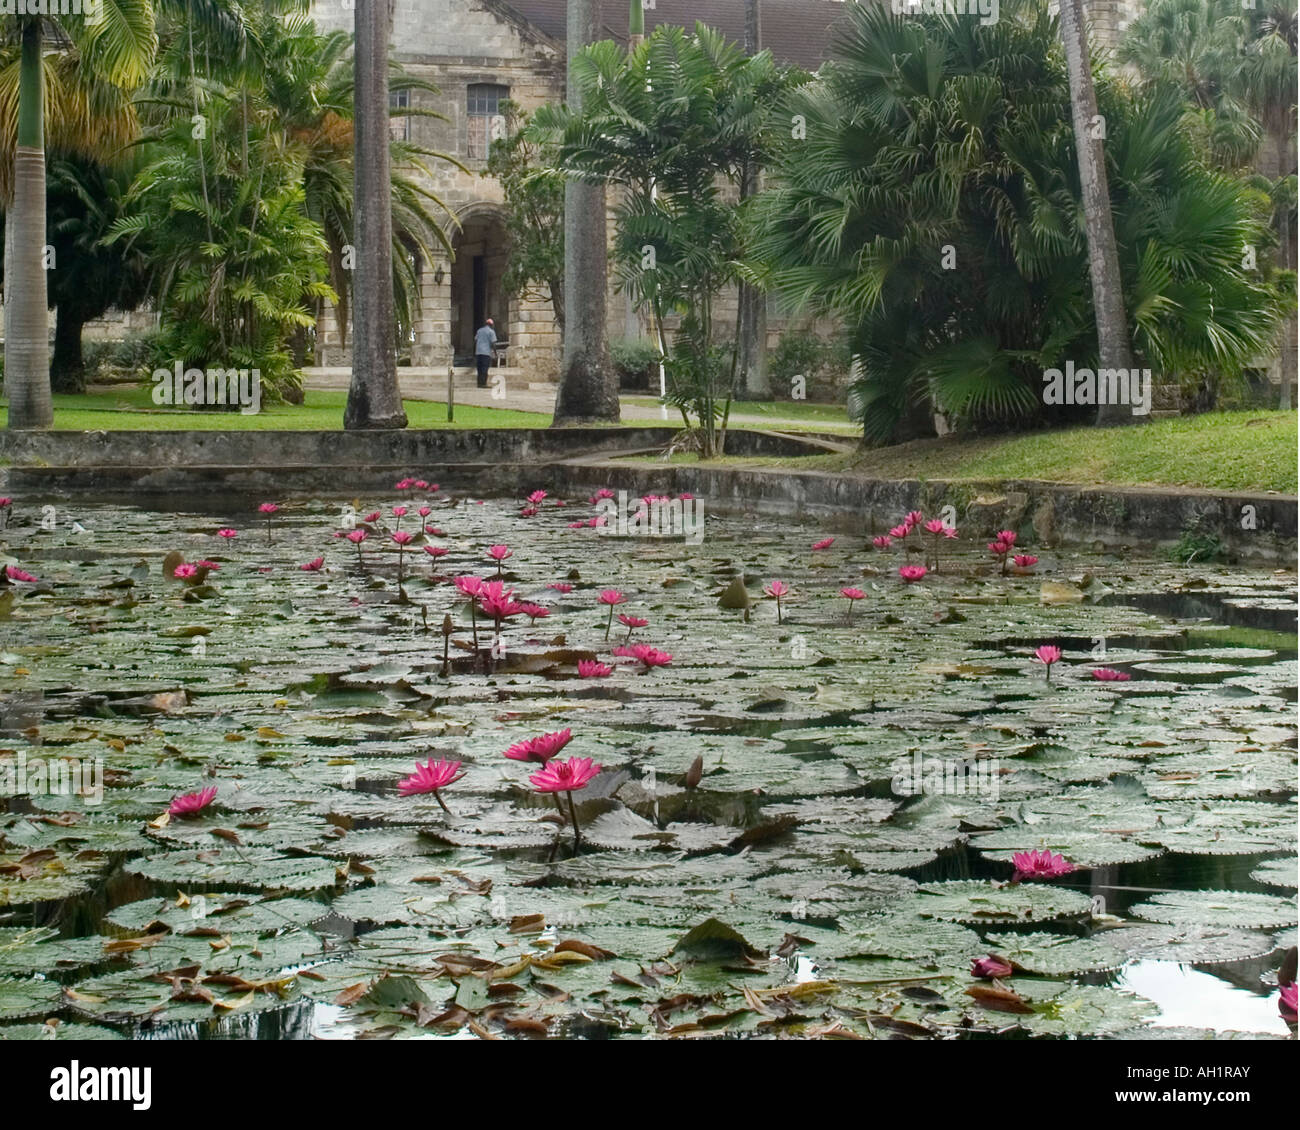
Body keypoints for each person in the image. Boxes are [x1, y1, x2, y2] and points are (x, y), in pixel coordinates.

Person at [475, 317, 497, 388]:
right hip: (486, 352)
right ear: (491, 325)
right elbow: (493, 343)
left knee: (479, 368)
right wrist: (495, 352)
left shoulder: (479, 330)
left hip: (478, 352)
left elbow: (475, 340)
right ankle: (483, 383)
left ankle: (479, 383)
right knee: (485, 368)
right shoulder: (491, 332)